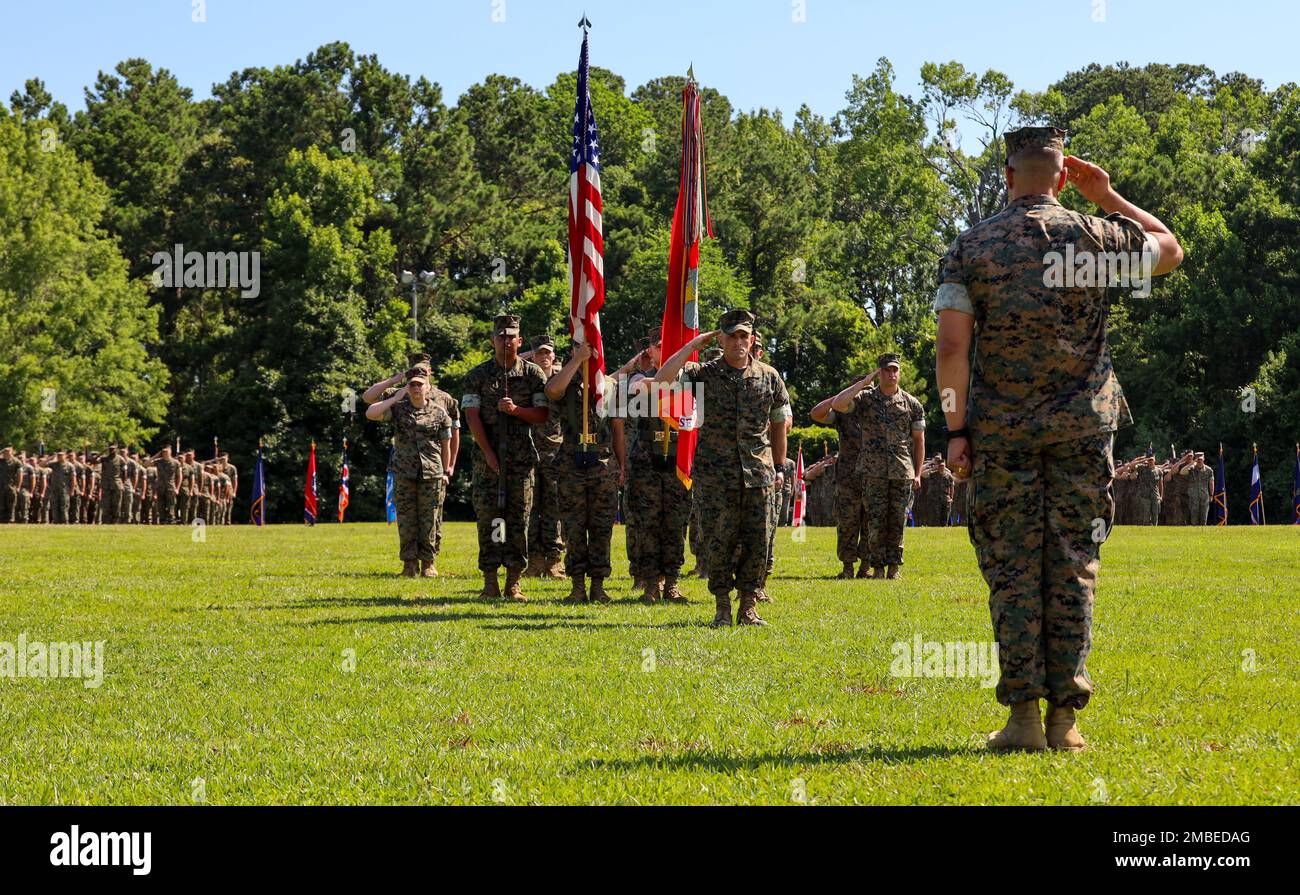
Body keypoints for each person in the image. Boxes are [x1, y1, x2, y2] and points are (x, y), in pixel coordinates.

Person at [934, 126, 1184, 751]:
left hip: (1001, 432)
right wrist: (1109, 196)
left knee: (1012, 566)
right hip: (1081, 427)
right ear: (1063, 175)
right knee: (1074, 564)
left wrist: (955, 429)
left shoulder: (972, 247)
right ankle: (1065, 722)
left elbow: (951, 348)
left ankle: (1022, 718)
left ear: (1008, 176)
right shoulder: (1097, 237)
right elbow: (1170, 249)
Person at [655, 309, 791, 627]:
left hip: (758, 474)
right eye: (732, 336)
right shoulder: (703, 373)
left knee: (758, 542)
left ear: (752, 340)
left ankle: (747, 607)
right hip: (715, 476)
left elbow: (779, 424)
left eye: (744, 336)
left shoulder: (769, 376)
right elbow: (661, 381)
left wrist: (780, 467)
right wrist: (691, 347)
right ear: (722, 339)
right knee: (717, 541)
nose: (738, 342)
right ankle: (721, 608)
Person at [461, 314, 549, 601]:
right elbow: (471, 416)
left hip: (521, 462)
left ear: (520, 340)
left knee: (518, 521)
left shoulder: (533, 374)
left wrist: (515, 411)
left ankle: (513, 582)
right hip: (487, 462)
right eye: (501, 336)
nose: (506, 340)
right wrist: (488, 454)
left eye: (511, 336)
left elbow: (542, 415)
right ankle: (490, 582)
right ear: (493, 340)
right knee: (489, 520)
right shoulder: (477, 375)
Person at [830, 354, 925, 580]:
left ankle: (894, 568)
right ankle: (878, 568)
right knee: (875, 521)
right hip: (872, 471)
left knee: (897, 520)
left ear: (899, 373)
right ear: (879, 373)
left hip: (901, 470)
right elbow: (838, 404)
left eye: (895, 370)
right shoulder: (865, 399)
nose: (891, 374)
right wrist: (863, 382)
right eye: (886, 370)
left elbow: (919, 441)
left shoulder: (912, 404)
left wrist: (918, 473)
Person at [544, 341, 625, 603]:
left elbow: (618, 430)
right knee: (574, 527)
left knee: (602, 528)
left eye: (593, 347)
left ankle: (598, 586)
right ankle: (577, 586)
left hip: (603, 463)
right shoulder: (565, 380)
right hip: (571, 462)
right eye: (581, 347)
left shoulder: (610, 386)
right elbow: (552, 391)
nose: (590, 351)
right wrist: (577, 360)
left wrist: (623, 467)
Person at [366, 362, 453, 576]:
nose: (416, 388)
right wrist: (395, 397)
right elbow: (370, 412)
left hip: (431, 472)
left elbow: (446, 445)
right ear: (408, 387)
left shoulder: (440, 412)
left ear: (426, 387)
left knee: (429, 519)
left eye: (420, 385)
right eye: (412, 384)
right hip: (403, 471)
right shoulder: (397, 409)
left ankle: (429, 563)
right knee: (406, 519)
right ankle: (409, 564)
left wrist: (445, 471)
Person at [624, 328, 692, 603]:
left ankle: (672, 582)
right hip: (647, 462)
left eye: (671, 345)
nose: (665, 349)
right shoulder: (640, 378)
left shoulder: (690, 380)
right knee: (648, 524)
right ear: (650, 351)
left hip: (677, 461)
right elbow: (647, 388)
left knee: (676, 524)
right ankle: (651, 583)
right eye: (660, 345)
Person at [812, 377, 875, 578]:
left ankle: (865, 567)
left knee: (871, 523)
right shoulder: (843, 413)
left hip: (874, 475)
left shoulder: (877, 413)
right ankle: (847, 567)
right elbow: (816, 413)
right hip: (848, 477)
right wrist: (845, 394)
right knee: (847, 523)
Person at [520, 337, 565, 578]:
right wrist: (527, 355)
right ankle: (534, 560)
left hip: (555, 452)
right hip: (528, 451)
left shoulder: (562, 379)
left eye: (548, 353)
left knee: (554, 508)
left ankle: (554, 560)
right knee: (531, 508)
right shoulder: (526, 380)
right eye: (539, 354)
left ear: (554, 356)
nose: (544, 357)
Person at [1184, 452, 1215, 525]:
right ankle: (1194, 532)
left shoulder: (1208, 470)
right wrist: (1192, 462)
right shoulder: (1191, 469)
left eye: (1201, 459)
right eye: (1198, 459)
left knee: (1204, 516)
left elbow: (1211, 482)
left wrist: (1211, 494)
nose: (1199, 461)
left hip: (1204, 496)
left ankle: (1202, 532)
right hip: (1193, 497)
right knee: (1194, 516)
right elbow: (1182, 472)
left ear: (1204, 459)